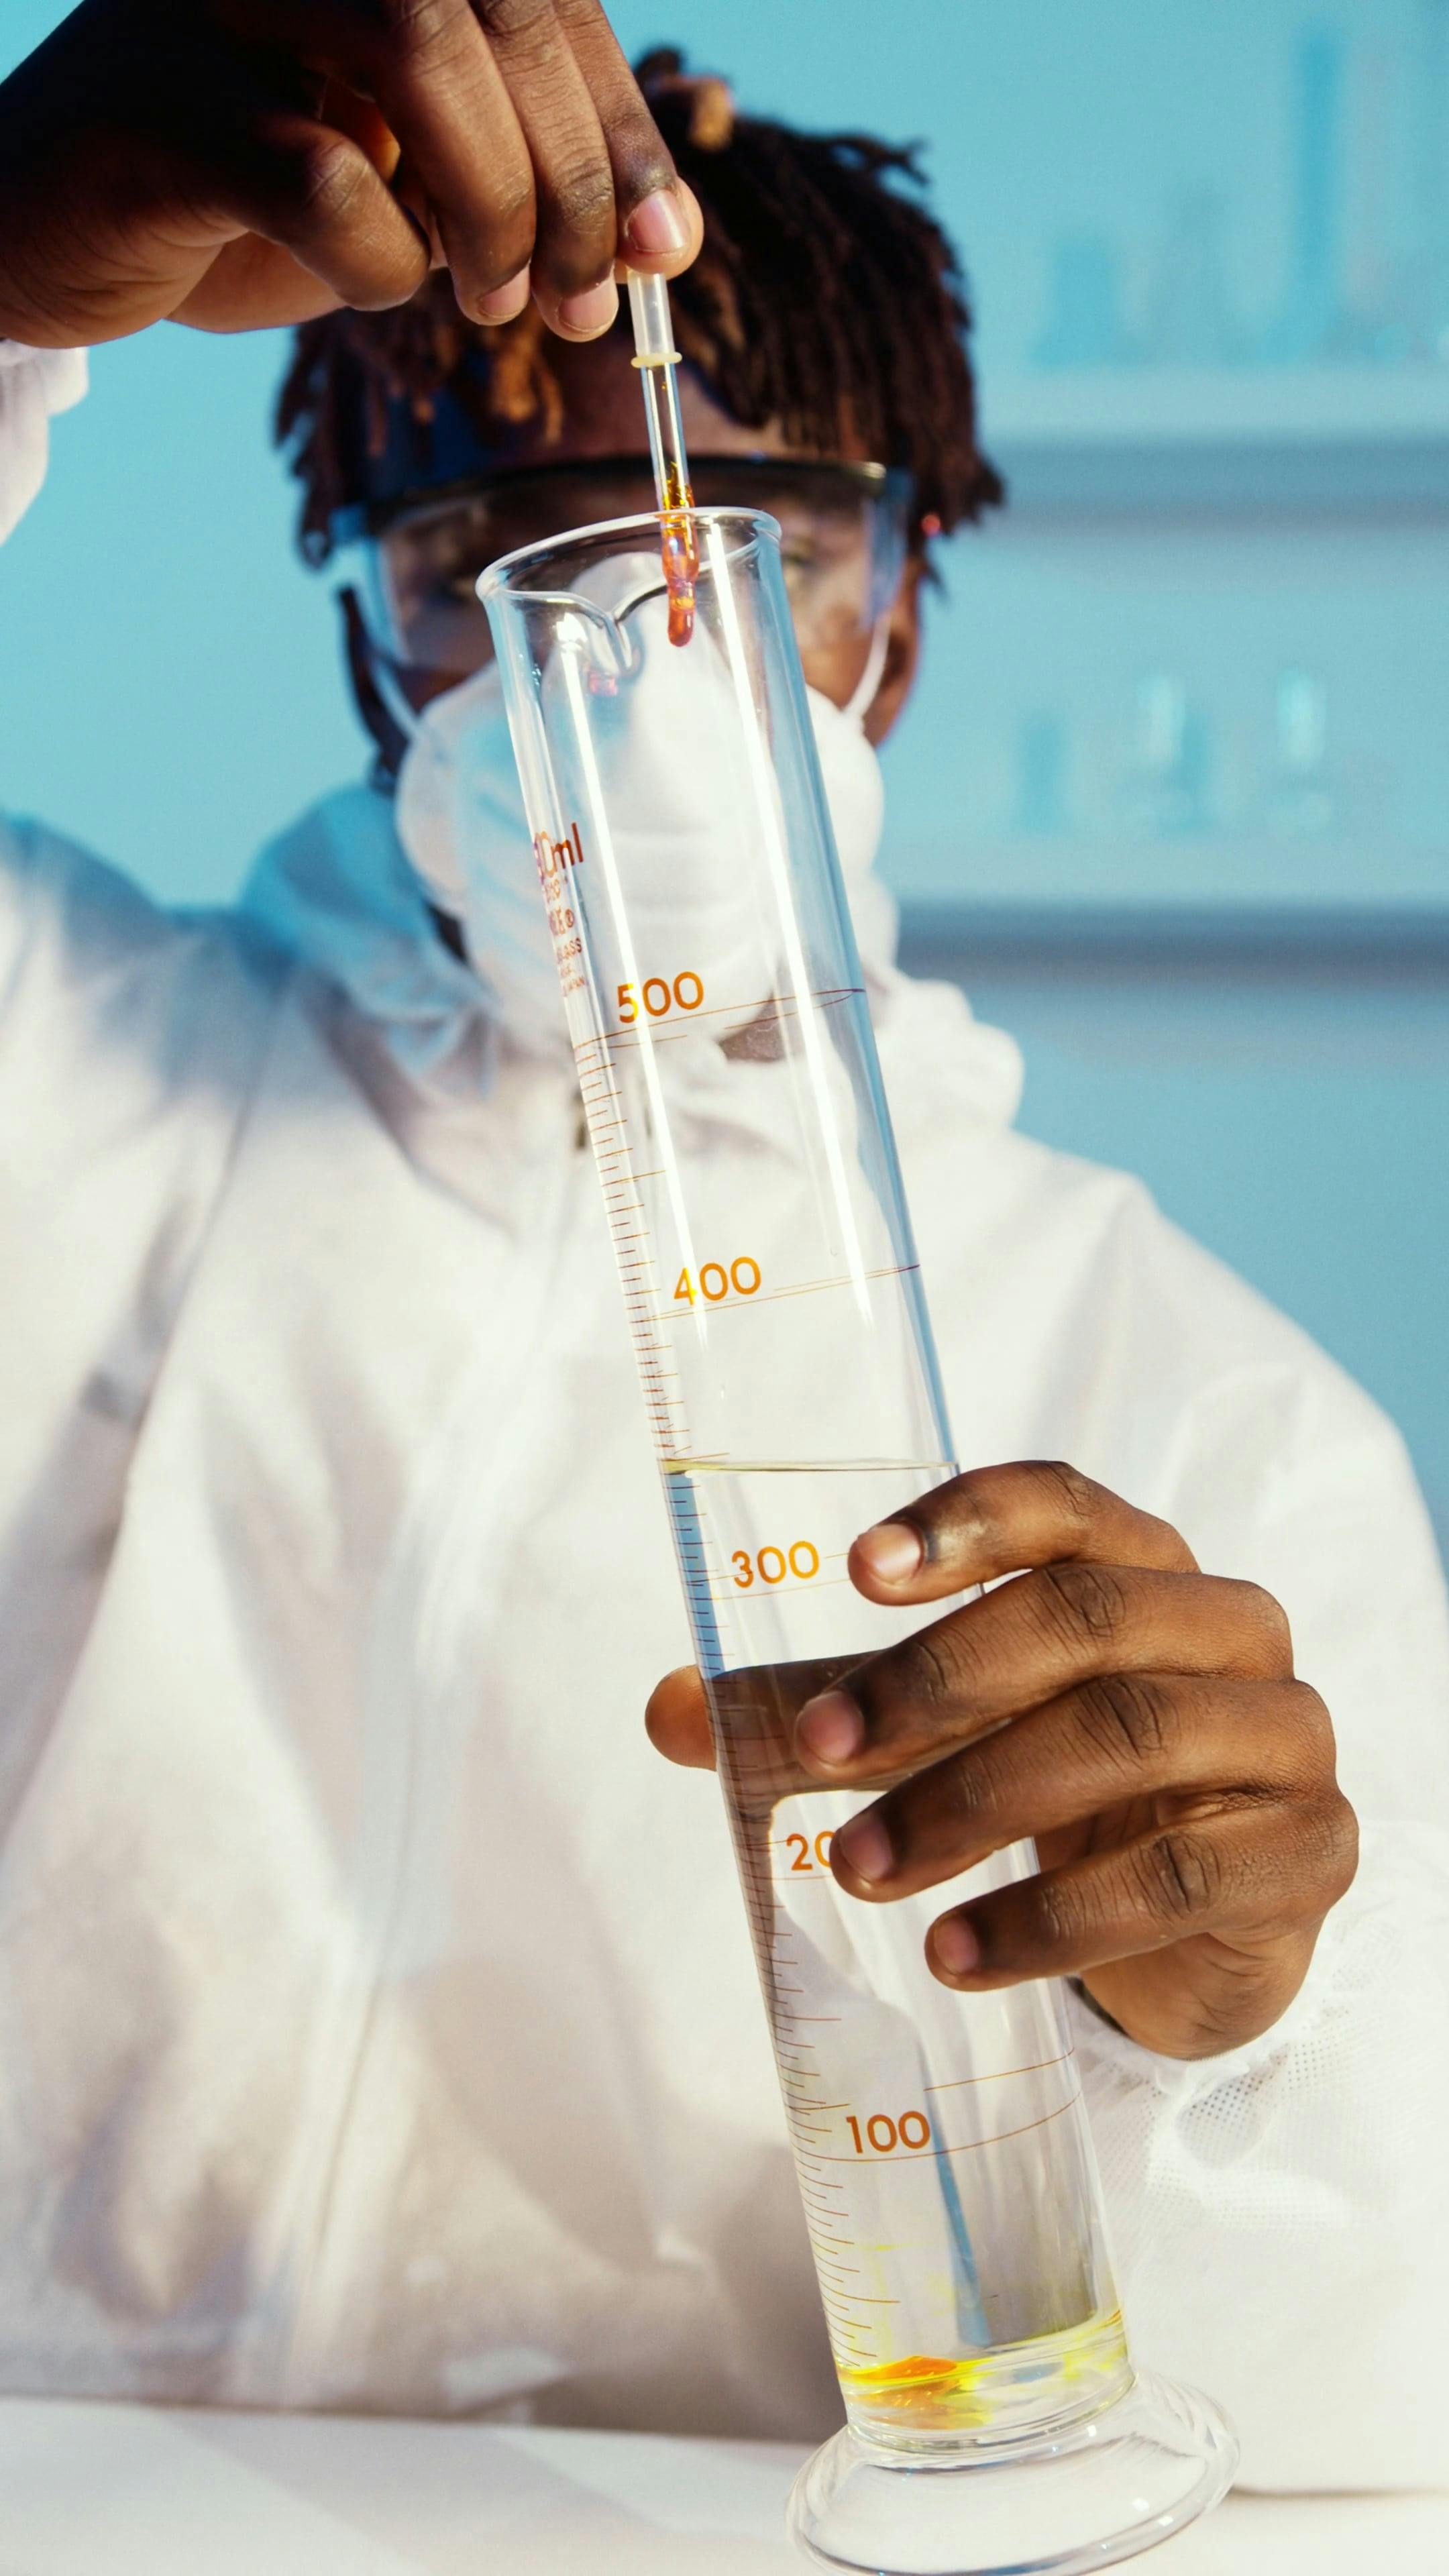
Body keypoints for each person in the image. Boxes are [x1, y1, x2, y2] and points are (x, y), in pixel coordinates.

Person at [1, 5, 1446, 2492]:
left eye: (759, 553)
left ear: (904, 609)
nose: (638, 671)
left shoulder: (1202, 1403)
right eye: (478, 556)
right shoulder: (68, 1071)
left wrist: (1214, 2029)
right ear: (366, 622)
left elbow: (1377, 2397)